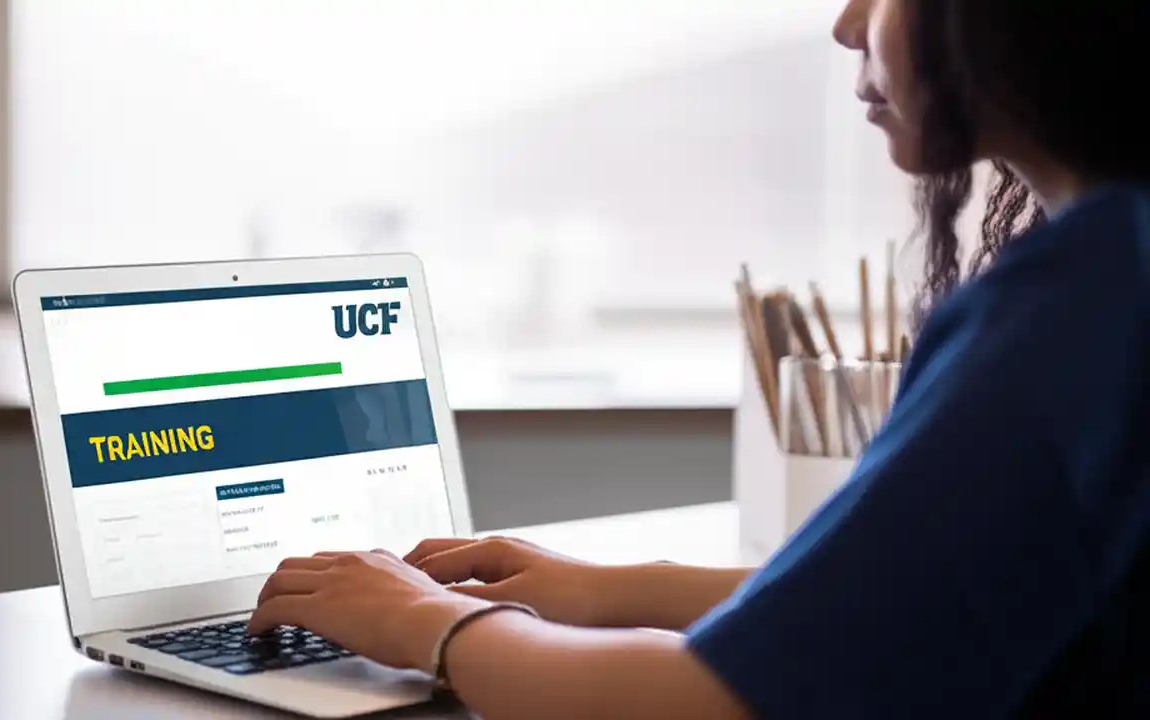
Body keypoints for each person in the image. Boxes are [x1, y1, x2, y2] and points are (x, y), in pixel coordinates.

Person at [246, 0, 1150, 717]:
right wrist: (610, 591)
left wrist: (425, 623)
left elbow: (706, 704)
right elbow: (902, 602)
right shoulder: (1114, 266)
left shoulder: (1071, 310)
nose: (847, 24)